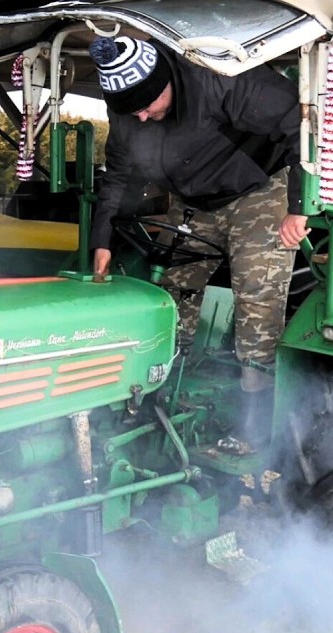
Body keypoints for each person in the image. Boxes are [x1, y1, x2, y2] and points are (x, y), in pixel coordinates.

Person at [87, 34, 308, 454]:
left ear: (165, 81)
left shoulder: (218, 76)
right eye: (132, 112)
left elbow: (299, 121)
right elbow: (116, 174)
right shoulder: (130, 112)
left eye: (148, 106)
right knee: (168, 289)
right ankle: (160, 396)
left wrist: (300, 205)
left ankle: (255, 426)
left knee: (257, 302)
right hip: (193, 201)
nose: (143, 118)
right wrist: (103, 240)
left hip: (260, 189)